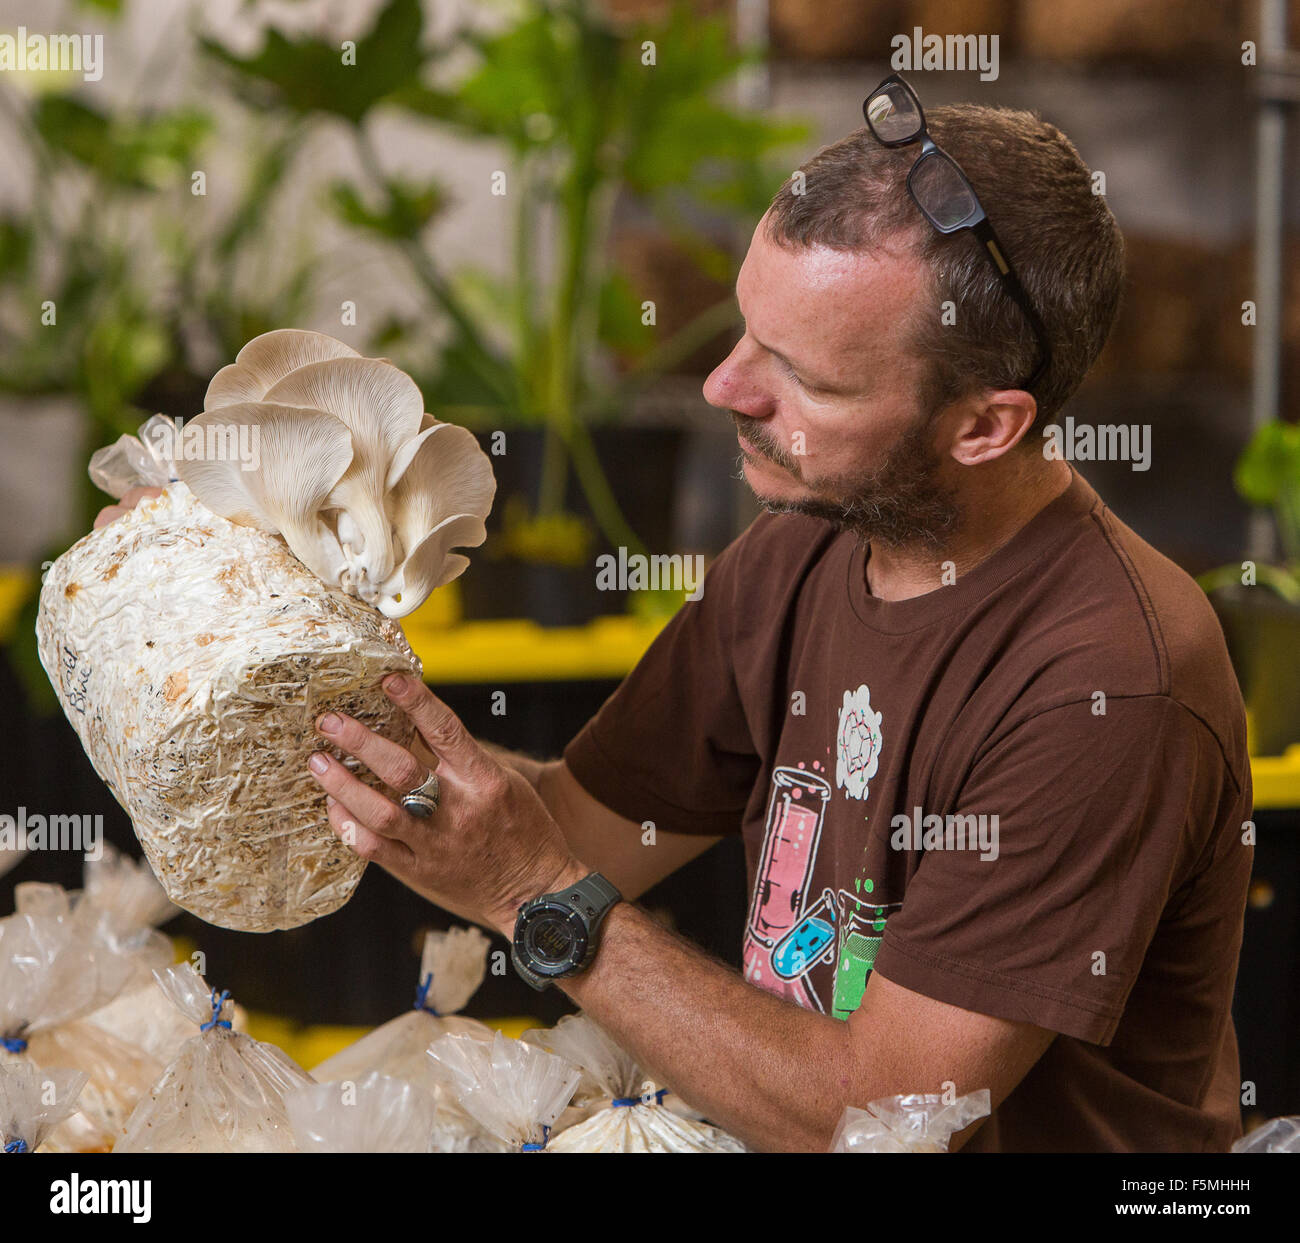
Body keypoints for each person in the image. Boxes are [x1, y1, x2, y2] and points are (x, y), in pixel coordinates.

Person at [99, 86, 1252, 1154]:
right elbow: (573, 830)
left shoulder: (1103, 682)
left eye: (807, 380)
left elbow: (887, 1118)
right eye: (744, 328)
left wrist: (534, 899)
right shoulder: (803, 547)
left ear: (984, 427)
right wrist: (268, 655)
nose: (724, 388)